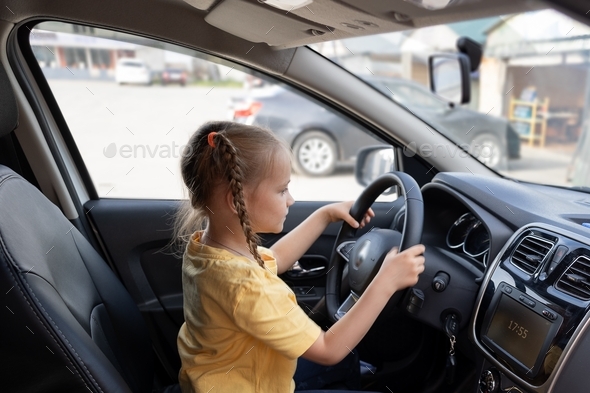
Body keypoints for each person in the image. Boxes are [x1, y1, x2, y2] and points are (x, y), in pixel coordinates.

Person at [174, 121, 426, 393]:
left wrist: (324, 215)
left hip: (216, 379)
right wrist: (385, 283)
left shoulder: (208, 250)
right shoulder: (246, 287)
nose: (291, 200)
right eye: (282, 190)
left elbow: (276, 259)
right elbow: (328, 349)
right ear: (237, 202)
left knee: (349, 361)